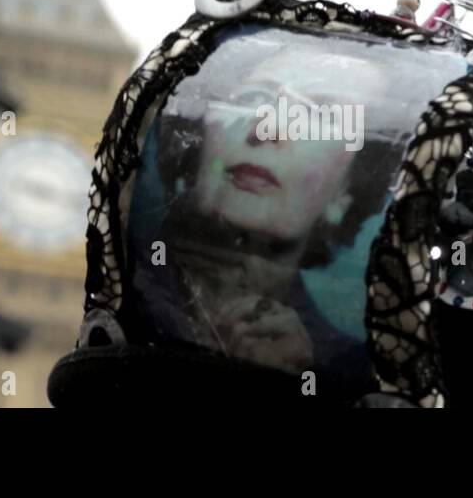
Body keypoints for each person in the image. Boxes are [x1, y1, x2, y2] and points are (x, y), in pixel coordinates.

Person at [125, 40, 407, 396]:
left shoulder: (359, 378)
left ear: (347, 193)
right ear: (197, 142)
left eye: (321, 115)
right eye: (252, 98)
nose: (267, 129)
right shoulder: (120, 286)